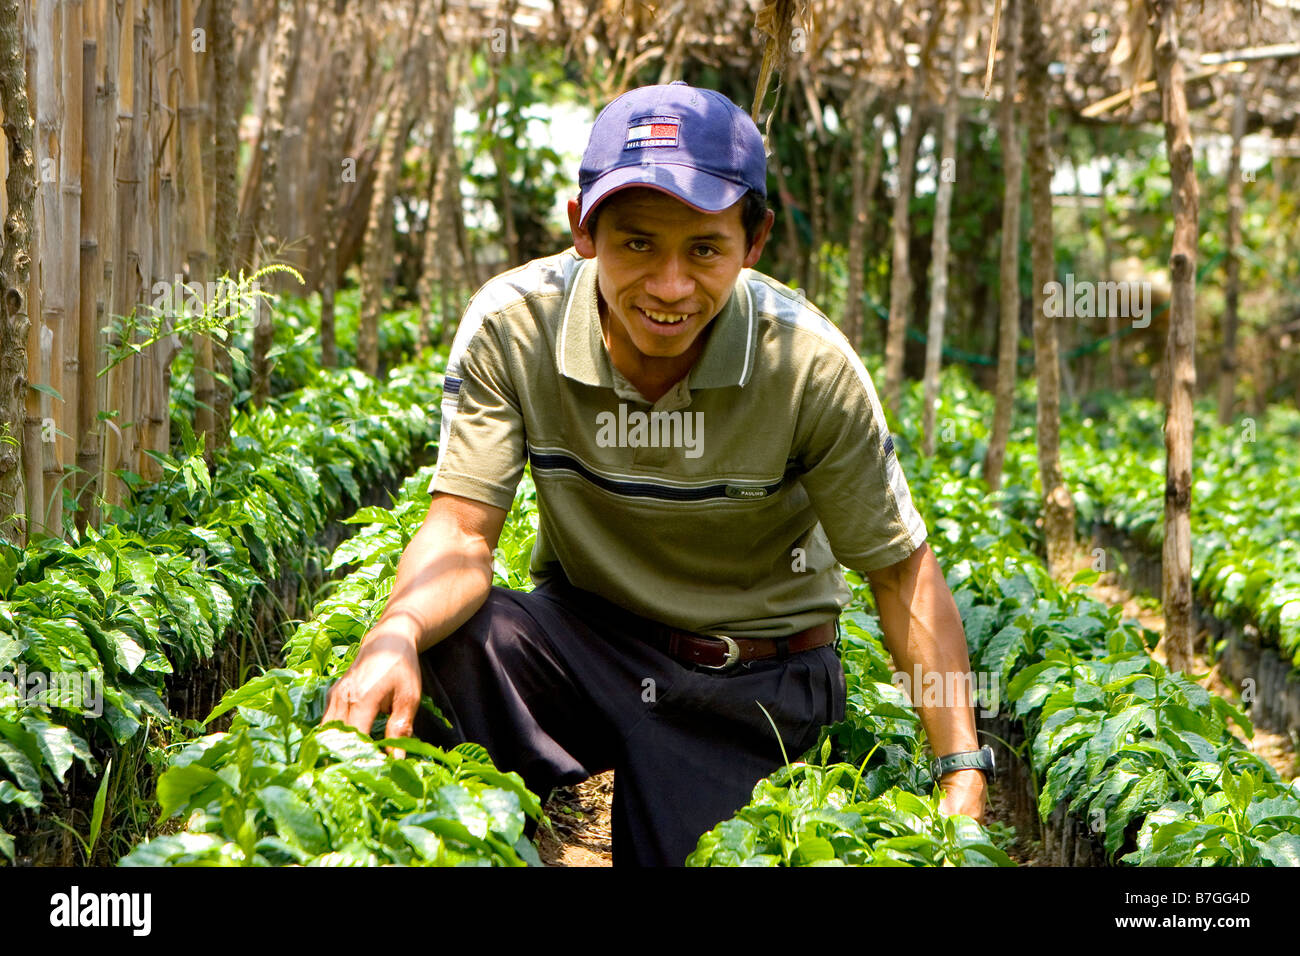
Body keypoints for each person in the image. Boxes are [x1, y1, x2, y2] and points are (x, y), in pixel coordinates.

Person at [321, 81, 988, 866]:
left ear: (755, 240)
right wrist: (393, 631)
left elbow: (900, 574)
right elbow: (463, 532)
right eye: (638, 243)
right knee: (441, 661)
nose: (670, 287)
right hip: (587, 640)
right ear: (583, 230)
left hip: (749, 683)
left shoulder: (806, 363)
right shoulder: (514, 326)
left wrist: (961, 772)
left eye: (704, 249)